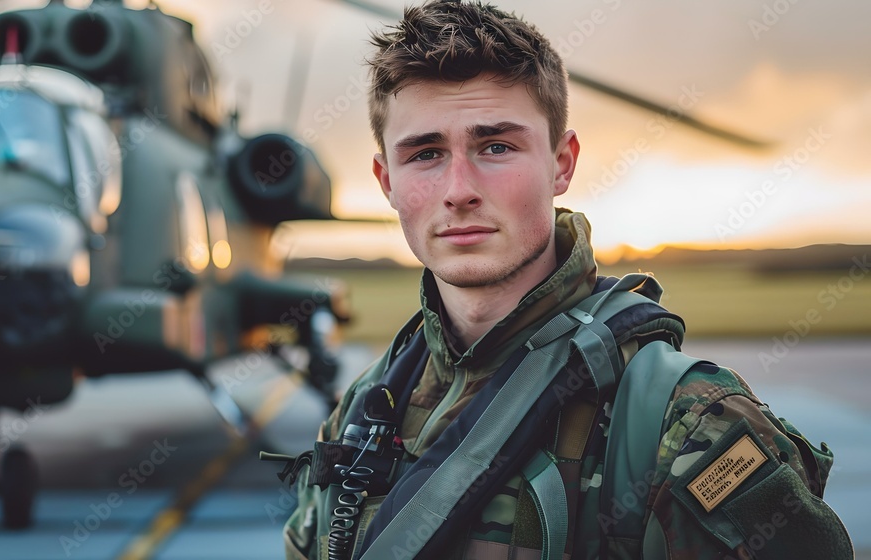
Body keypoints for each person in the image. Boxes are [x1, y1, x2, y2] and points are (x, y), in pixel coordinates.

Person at [278, 1, 853, 558]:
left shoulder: (687, 424)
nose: (459, 189)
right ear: (386, 181)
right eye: (425, 154)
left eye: (496, 146)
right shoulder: (363, 408)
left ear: (562, 162)